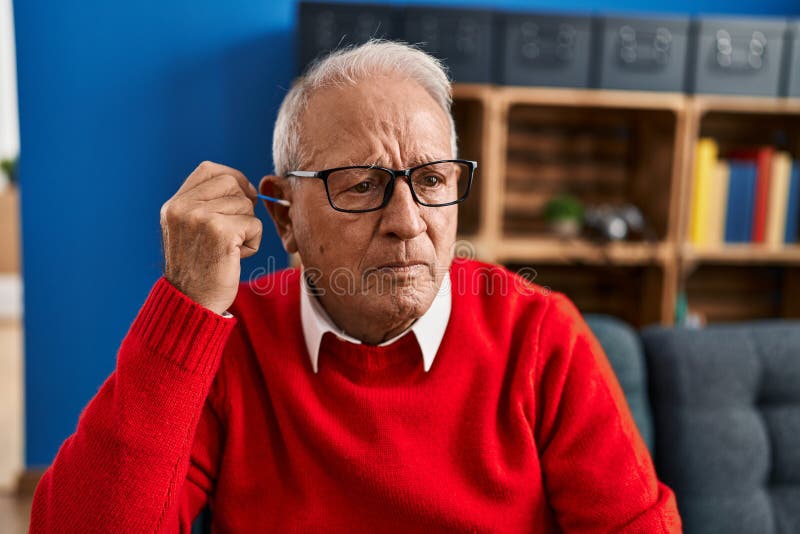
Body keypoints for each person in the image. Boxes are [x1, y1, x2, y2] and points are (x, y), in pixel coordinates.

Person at [29, 40, 682, 532]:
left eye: (431, 181)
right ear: (284, 217)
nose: (406, 224)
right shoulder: (231, 340)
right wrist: (187, 304)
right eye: (362, 185)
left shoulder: (539, 332)